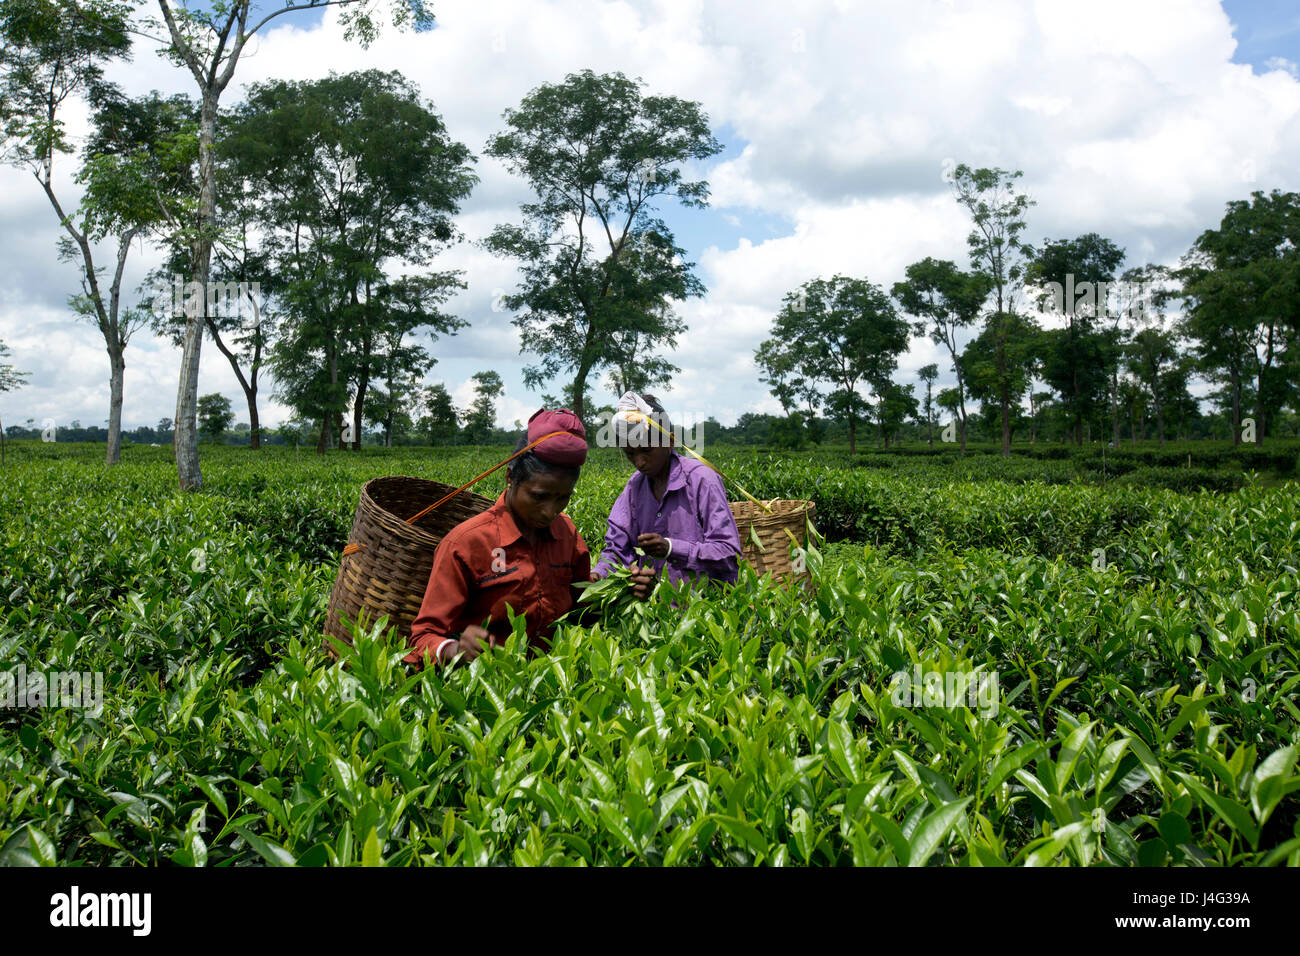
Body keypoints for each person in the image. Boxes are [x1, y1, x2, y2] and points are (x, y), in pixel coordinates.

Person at [406, 408, 592, 668]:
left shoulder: (568, 535)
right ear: (510, 478)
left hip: (556, 684)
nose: (550, 511)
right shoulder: (466, 544)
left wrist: (623, 588)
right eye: (539, 496)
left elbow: (584, 610)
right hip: (489, 689)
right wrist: (455, 649)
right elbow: (422, 636)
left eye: (563, 498)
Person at [592, 392, 741, 599]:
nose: (639, 462)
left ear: (669, 442)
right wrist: (598, 575)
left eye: (646, 450)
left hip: (708, 609)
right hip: (658, 612)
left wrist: (671, 548)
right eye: (629, 454)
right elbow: (617, 548)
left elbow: (727, 554)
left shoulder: (701, 480)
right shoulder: (635, 486)